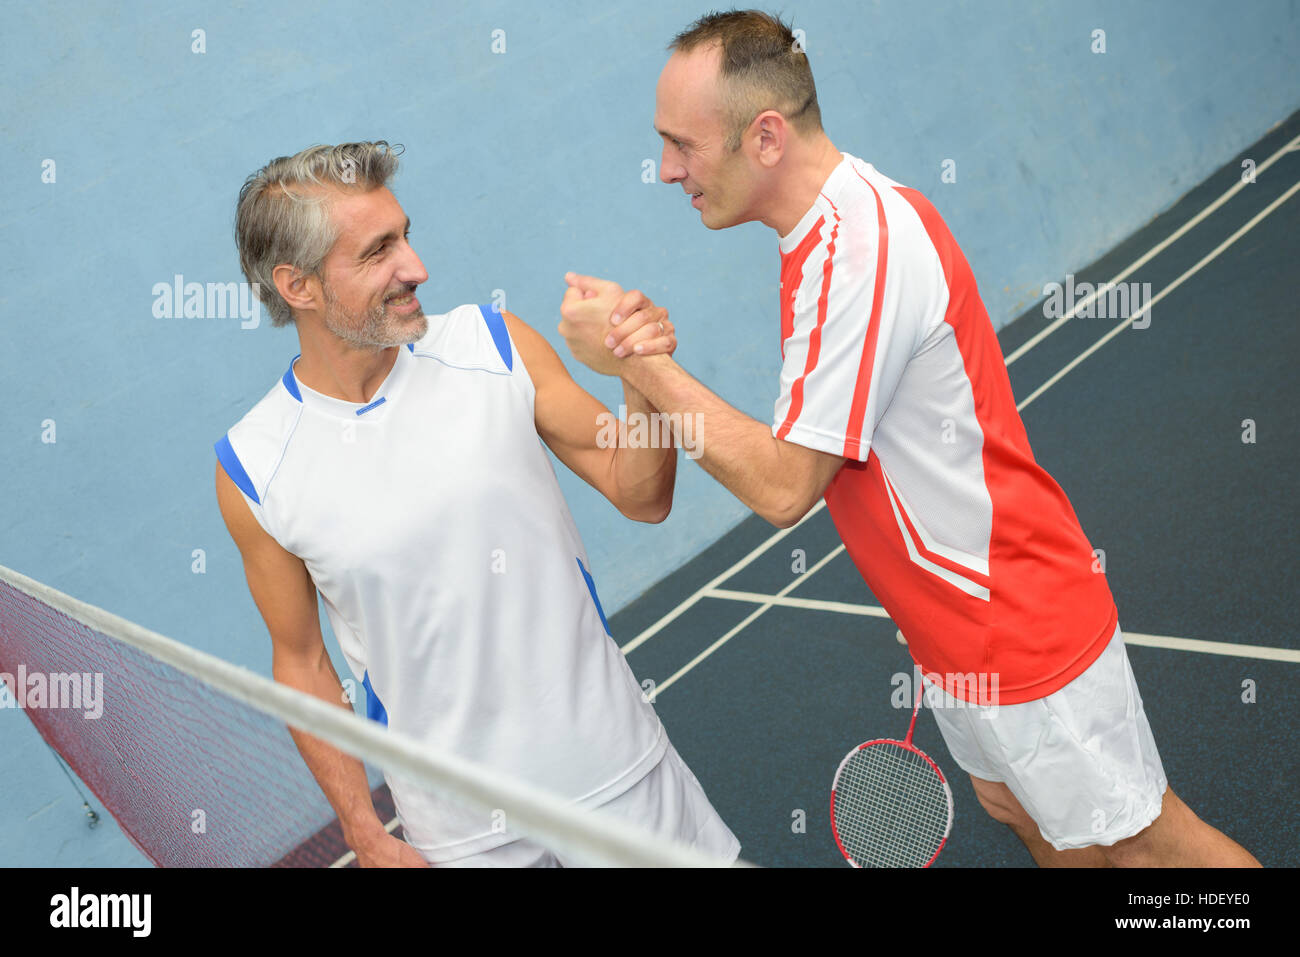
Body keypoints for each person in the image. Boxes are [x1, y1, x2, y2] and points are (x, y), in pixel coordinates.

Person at [556, 10, 1258, 867]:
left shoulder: (862, 256)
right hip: (953, 635)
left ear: (766, 136)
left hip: (1017, 615)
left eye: (682, 145)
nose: (667, 170)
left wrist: (638, 360)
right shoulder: (817, 240)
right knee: (1031, 818)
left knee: (1149, 847)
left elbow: (784, 487)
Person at [213, 140, 738, 867]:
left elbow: (640, 493)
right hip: (457, 837)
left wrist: (637, 372)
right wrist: (364, 831)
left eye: (406, 234)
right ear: (297, 285)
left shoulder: (493, 346)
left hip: (619, 783)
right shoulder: (254, 463)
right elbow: (302, 663)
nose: (416, 267)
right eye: (378, 252)